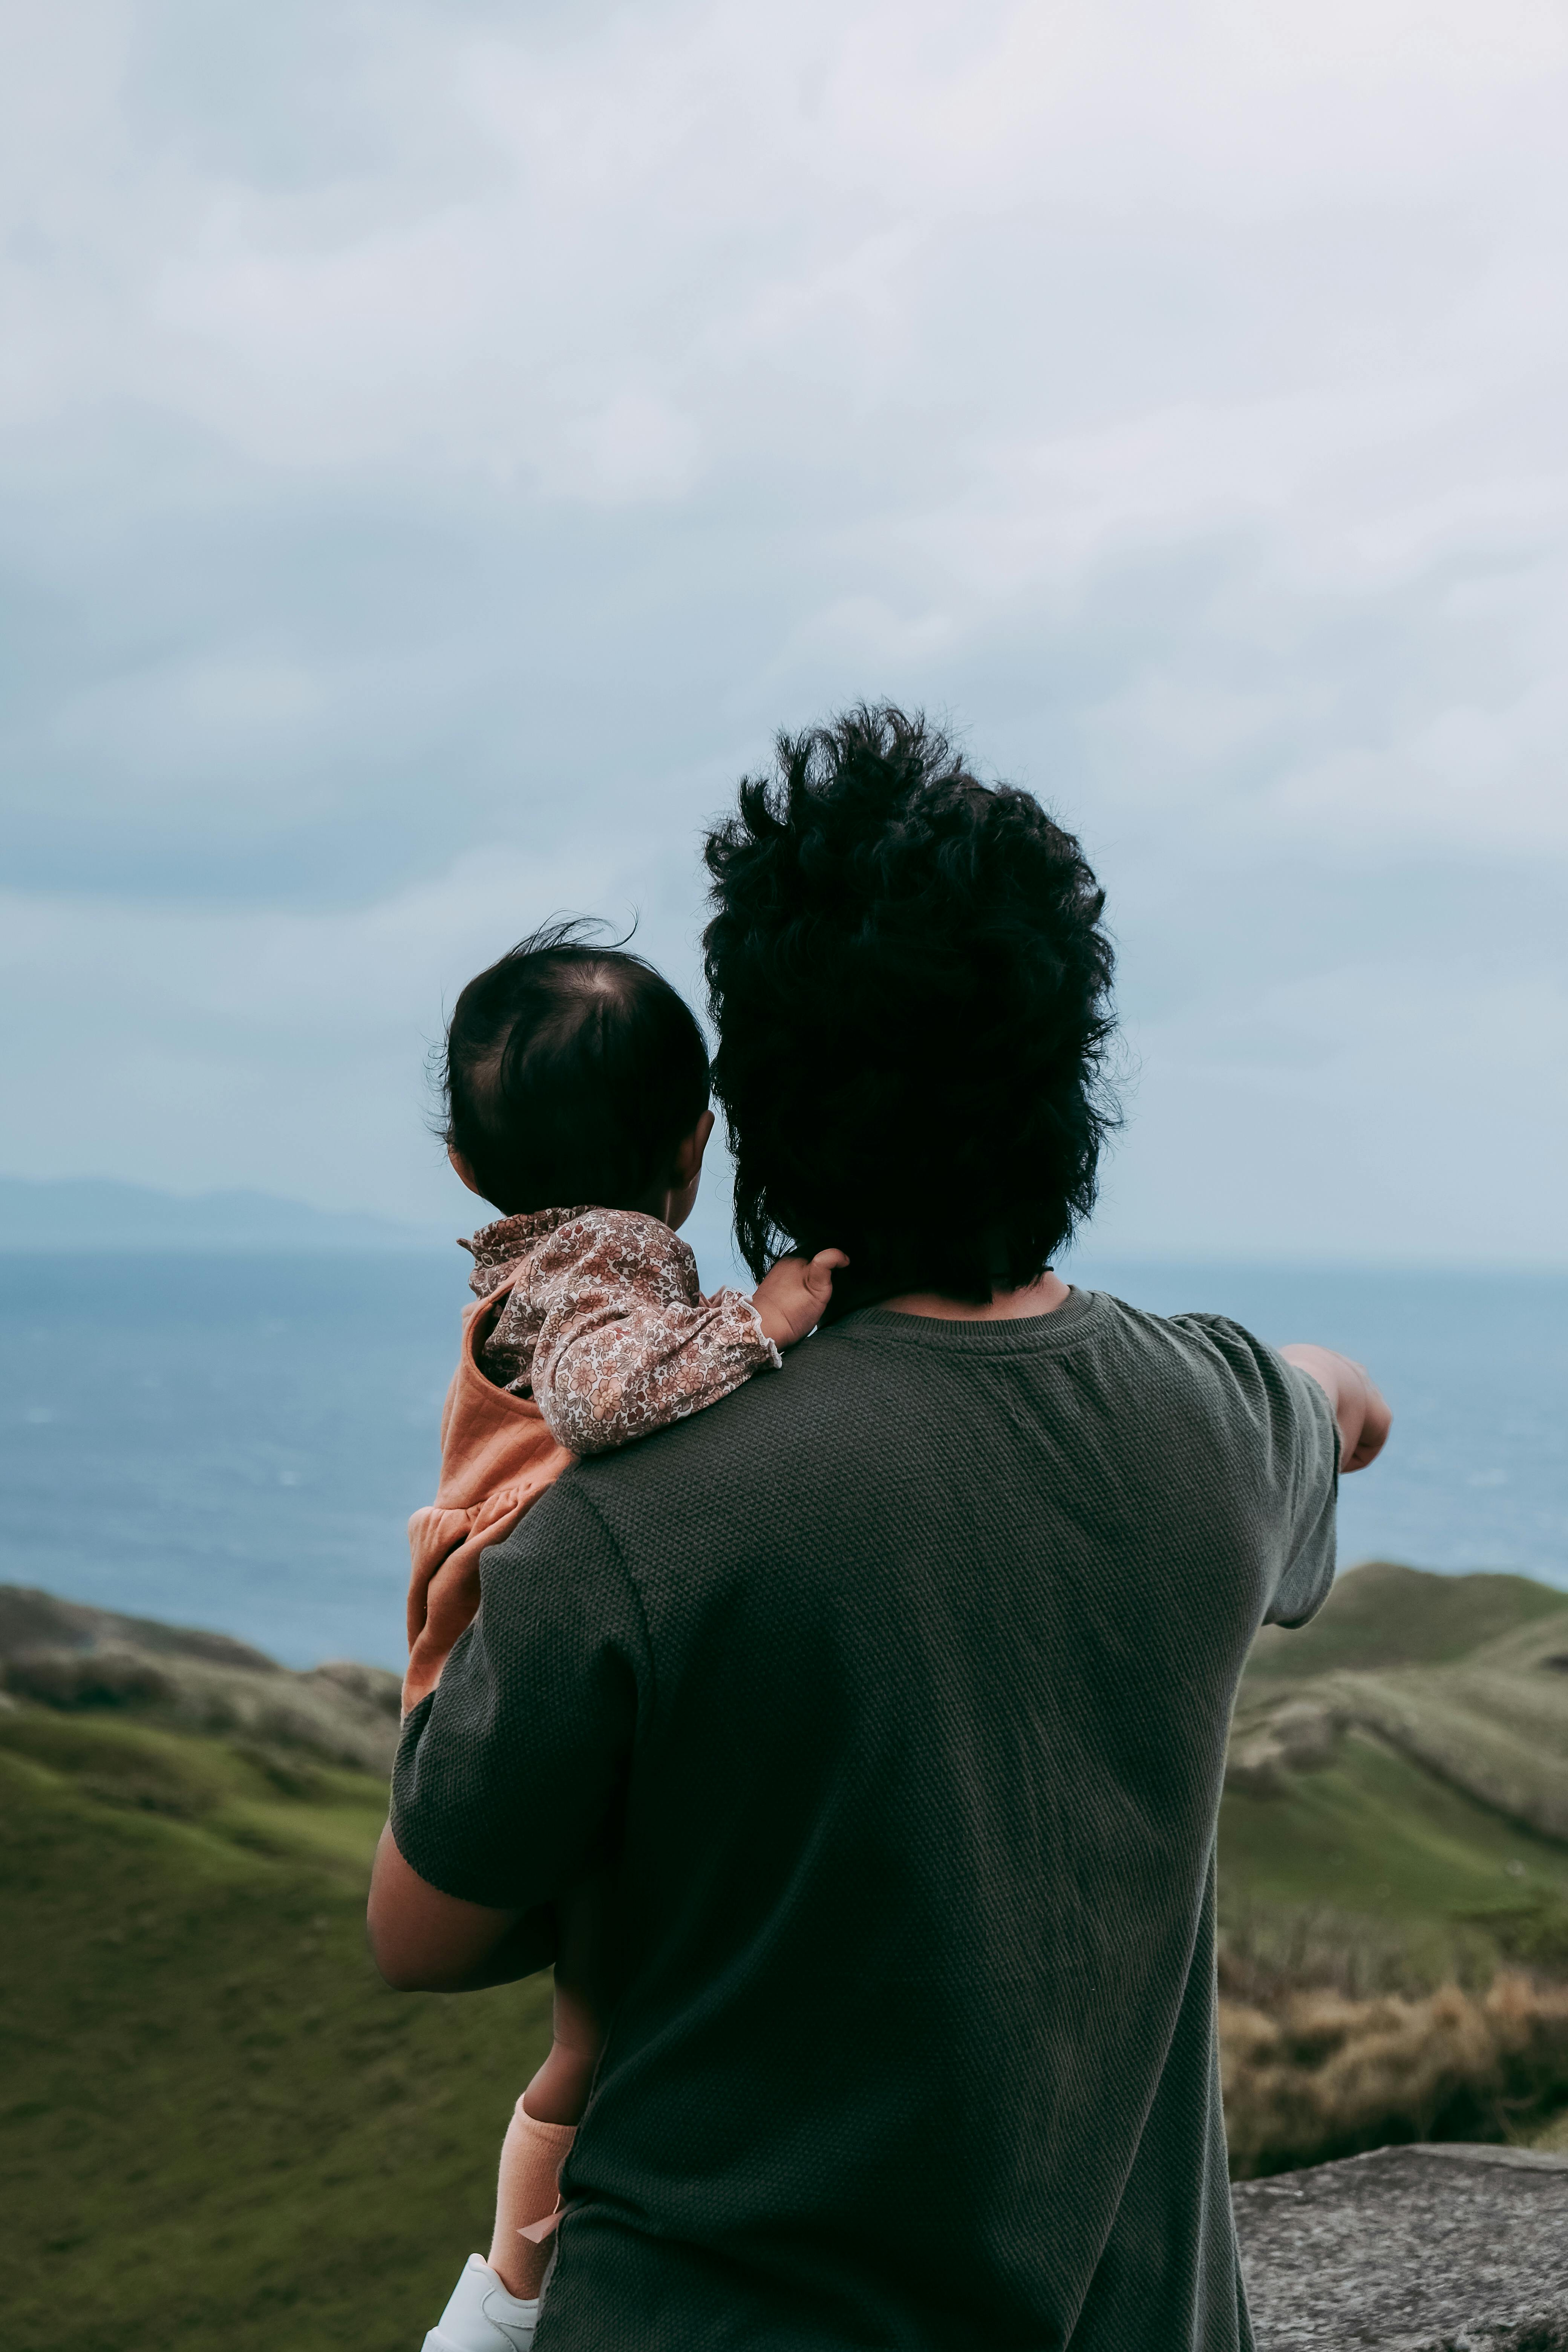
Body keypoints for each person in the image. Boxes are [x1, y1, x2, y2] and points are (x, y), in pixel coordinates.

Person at [369, 704, 1390, 2352]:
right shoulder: (1214, 1417)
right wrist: (1308, 1388)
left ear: (739, 1126)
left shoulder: (624, 1519)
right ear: (1063, 1084)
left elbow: (421, 1930)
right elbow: (1343, 1405)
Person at [404, 926, 845, 2351]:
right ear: (698, 1142)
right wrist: (756, 1327)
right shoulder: (597, 1268)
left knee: (613, 2004)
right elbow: (599, 1399)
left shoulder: (541, 1251)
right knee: (591, 2032)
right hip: (504, 1644)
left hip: (497, 1629)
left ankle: (524, 2279)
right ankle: (511, 2306)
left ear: (467, 1168)